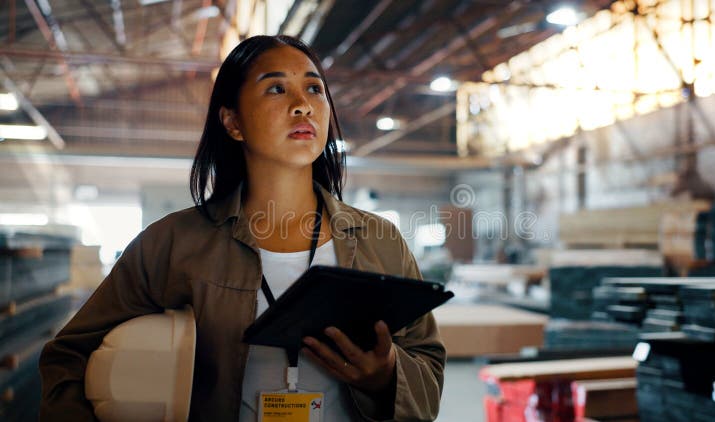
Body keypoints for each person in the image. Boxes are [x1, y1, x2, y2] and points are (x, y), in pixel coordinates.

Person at [39, 35, 445, 421]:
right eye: (276, 89)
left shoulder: (380, 241)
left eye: (315, 89)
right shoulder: (174, 244)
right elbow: (68, 356)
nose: (303, 105)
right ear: (233, 122)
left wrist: (386, 375)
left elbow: (428, 376)